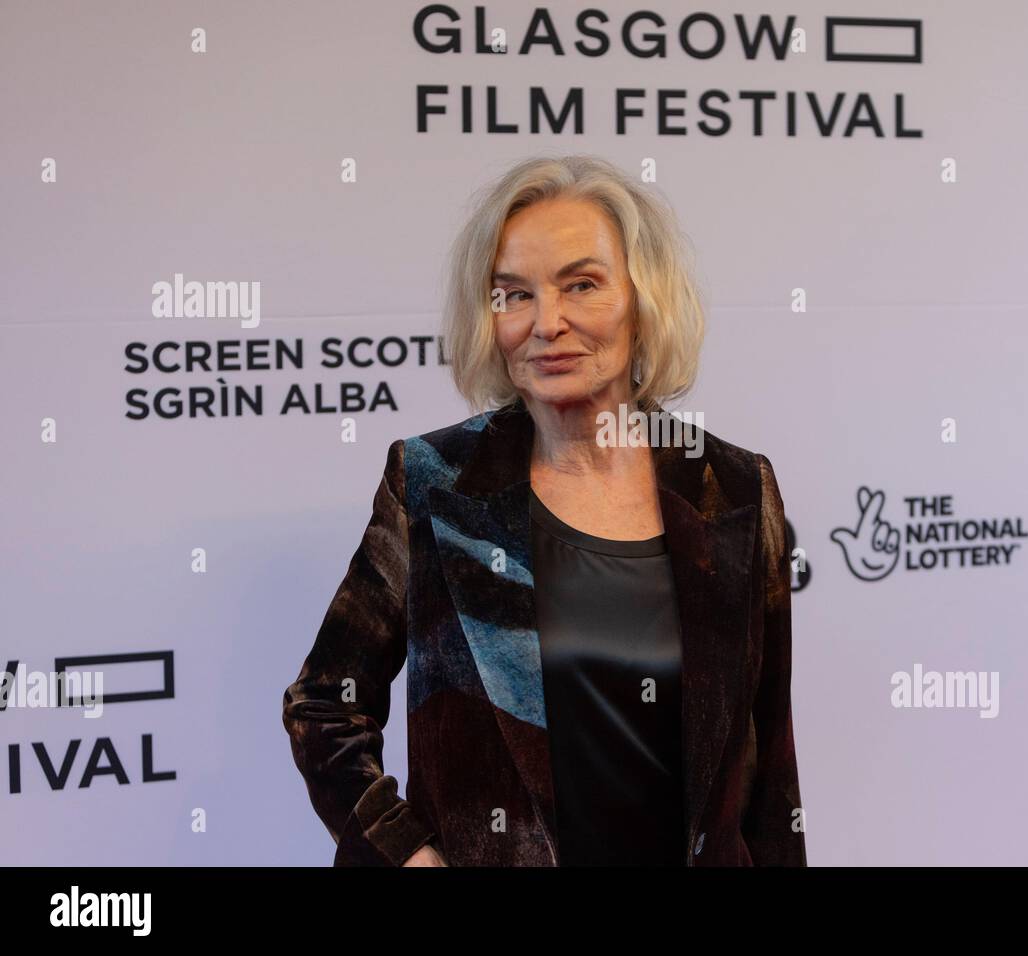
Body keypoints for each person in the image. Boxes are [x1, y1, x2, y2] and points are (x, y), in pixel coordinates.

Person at [282, 154, 806, 866]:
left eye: (581, 285)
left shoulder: (735, 488)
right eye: (513, 294)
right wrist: (409, 856)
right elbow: (325, 704)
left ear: (643, 301)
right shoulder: (435, 484)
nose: (546, 322)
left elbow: (767, 764)